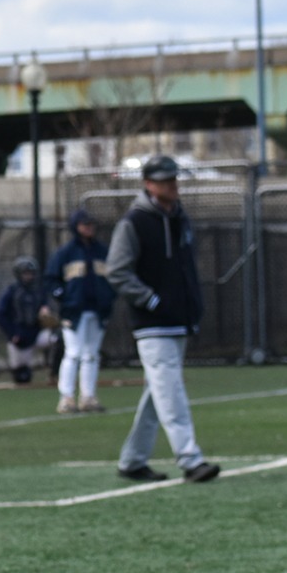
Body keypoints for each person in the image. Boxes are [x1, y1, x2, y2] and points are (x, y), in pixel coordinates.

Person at [105, 155, 219, 484]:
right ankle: (190, 458)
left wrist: (189, 308)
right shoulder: (134, 222)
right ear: (149, 184)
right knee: (170, 391)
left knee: (158, 394)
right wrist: (151, 300)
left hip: (177, 321)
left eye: (174, 178)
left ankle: (132, 460)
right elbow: (116, 271)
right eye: (166, 179)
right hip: (152, 325)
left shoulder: (180, 219)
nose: (173, 184)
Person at [47, 208, 115, 413]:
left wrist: (109, 297)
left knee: (91, 354)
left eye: (91, 224)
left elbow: (115, 276)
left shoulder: (102, 251)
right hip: (74, 311)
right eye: (85, 224)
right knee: (73, 353)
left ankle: (88, 397)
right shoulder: (65, 253)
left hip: (98, 310)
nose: (89, 228)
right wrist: (62, 296)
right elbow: (50, 279)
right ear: (76, 227)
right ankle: (66, 398)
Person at [0, 257, 57, 385]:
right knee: (22, 377)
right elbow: (0, 315)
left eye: (31, 273)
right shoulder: (12, 292)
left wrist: (46, 313)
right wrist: (12, 334)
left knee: (58, 340)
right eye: (25, 273)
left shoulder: (39, 291)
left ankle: (54, 371)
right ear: (18, 274)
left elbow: (47, 308)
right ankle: (22, 370)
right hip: (20, 336)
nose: (29, 276)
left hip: (37, 333)